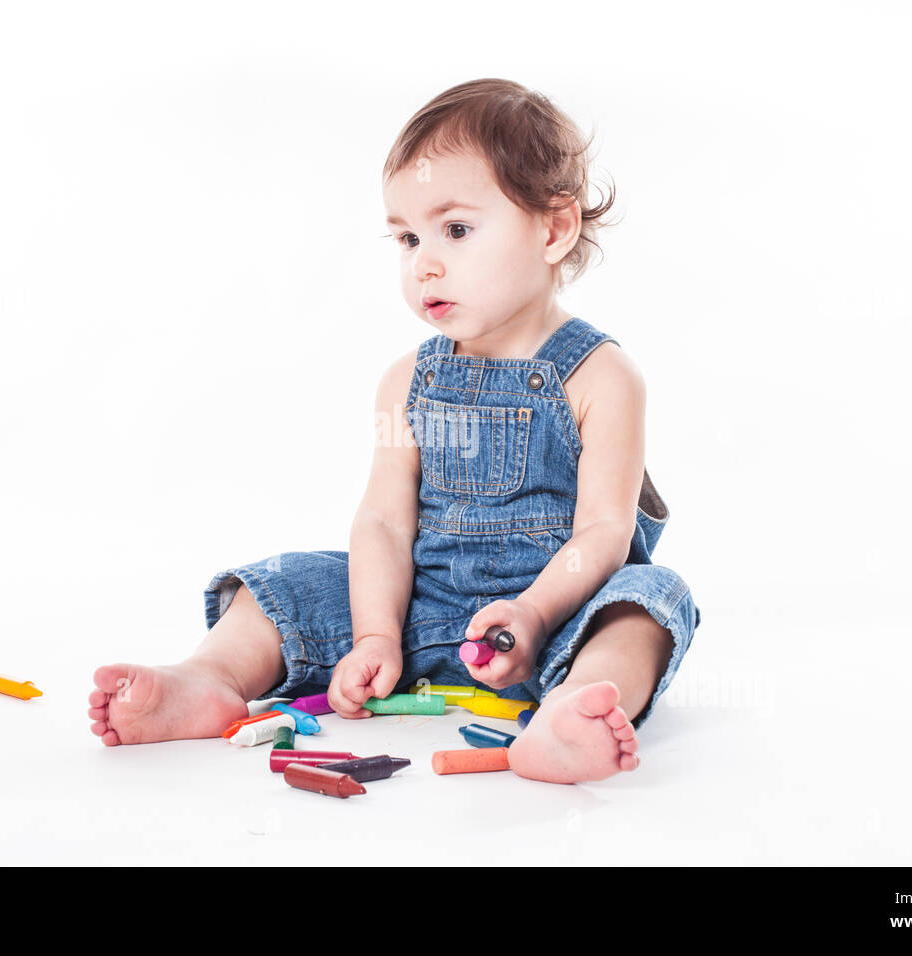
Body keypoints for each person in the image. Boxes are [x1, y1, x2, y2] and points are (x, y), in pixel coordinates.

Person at [88, 78, 702, 784]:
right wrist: (378, 632)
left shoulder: (601, 377)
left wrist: (531, 615)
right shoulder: (405, 382)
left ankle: (573, 711)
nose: (424, 263)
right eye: (408, 237)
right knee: (287, 582)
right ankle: (206, 678)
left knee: (651, 604)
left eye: (457, 230)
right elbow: (382, 521)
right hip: (420, 608)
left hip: (552, 617)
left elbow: (603, 533)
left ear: (553, 229)